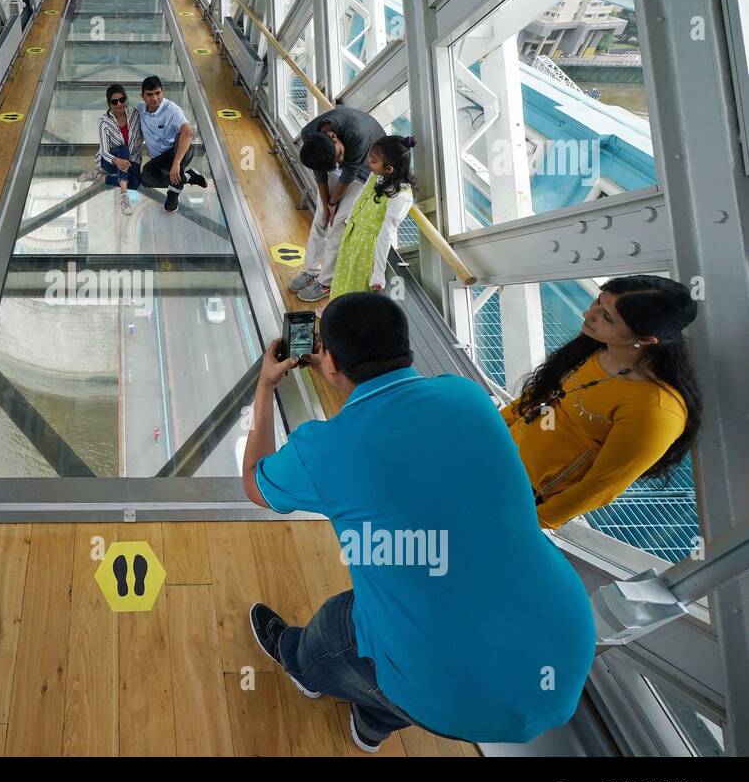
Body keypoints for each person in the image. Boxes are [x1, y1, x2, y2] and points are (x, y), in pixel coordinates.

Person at [242, 293, 595, 751]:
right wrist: (341, 369)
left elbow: (254, 483)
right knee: (408, 621)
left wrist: (267, 385)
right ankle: (372, 724)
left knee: (340, 624)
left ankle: (301, 666)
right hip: (564, 655)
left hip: (446, 690)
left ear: (328, 363)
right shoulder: (467, 396)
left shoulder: (323, 449)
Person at [500, 275, 702, 530]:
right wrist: (491, 430)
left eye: (607, 317)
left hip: (523, 492)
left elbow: (600, 487)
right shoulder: (595, 349)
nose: (588, 313)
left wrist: (531, 522)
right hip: (501, 452)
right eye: (598, 301)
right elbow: (537, 398)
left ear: (647, 339)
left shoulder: (655, 410)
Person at [289, 105, 385, 303]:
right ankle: (311, 271)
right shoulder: (310, 133)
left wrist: (333, 204)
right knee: (321, 220)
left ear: (333, 136)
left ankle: (326, 281)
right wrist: (326, 206)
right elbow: (320, 172)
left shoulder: (358, 135)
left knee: (336, 227)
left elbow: (349, 173)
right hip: (338, 167)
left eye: (339, 155)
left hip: (364, 174)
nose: (339, 159)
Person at [325, 135, 416, 307]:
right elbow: (362, 195)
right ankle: (336, 314)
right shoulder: (377, 176)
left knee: (355, 292)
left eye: (373, 161)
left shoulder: (401, 196)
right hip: (353, 237)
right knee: (342, 280)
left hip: (368, 250)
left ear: (389, 169)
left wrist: (378, 273)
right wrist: (350, 218)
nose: (368, 163)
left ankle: (346, 324)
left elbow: (386, 234)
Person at [135, 75, 207, 214]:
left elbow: (188, 134)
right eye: (150, 95)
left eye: (158, 93)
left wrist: (176, 163)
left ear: (163, 92)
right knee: (146, 179)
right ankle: (189, 177)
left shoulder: (172, 109)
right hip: (159, 159)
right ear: (142, 96)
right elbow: (139, 132)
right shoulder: (140, 109)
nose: (155, 98)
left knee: (182, 134)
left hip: (179, 151)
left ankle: (173, 194)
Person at [77, 83, 144, 216]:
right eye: (114, 102)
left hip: (132, 158)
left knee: (135, 183)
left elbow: (143, 133)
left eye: (122, 100)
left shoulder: (135, 114)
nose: (119, 104)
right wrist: (117, 161)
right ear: (109, 104)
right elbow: (104, 150)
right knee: (123, 149)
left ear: (126, 99)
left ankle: (97, 175)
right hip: (109, 160)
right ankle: (124, 198)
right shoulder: (104, 121)